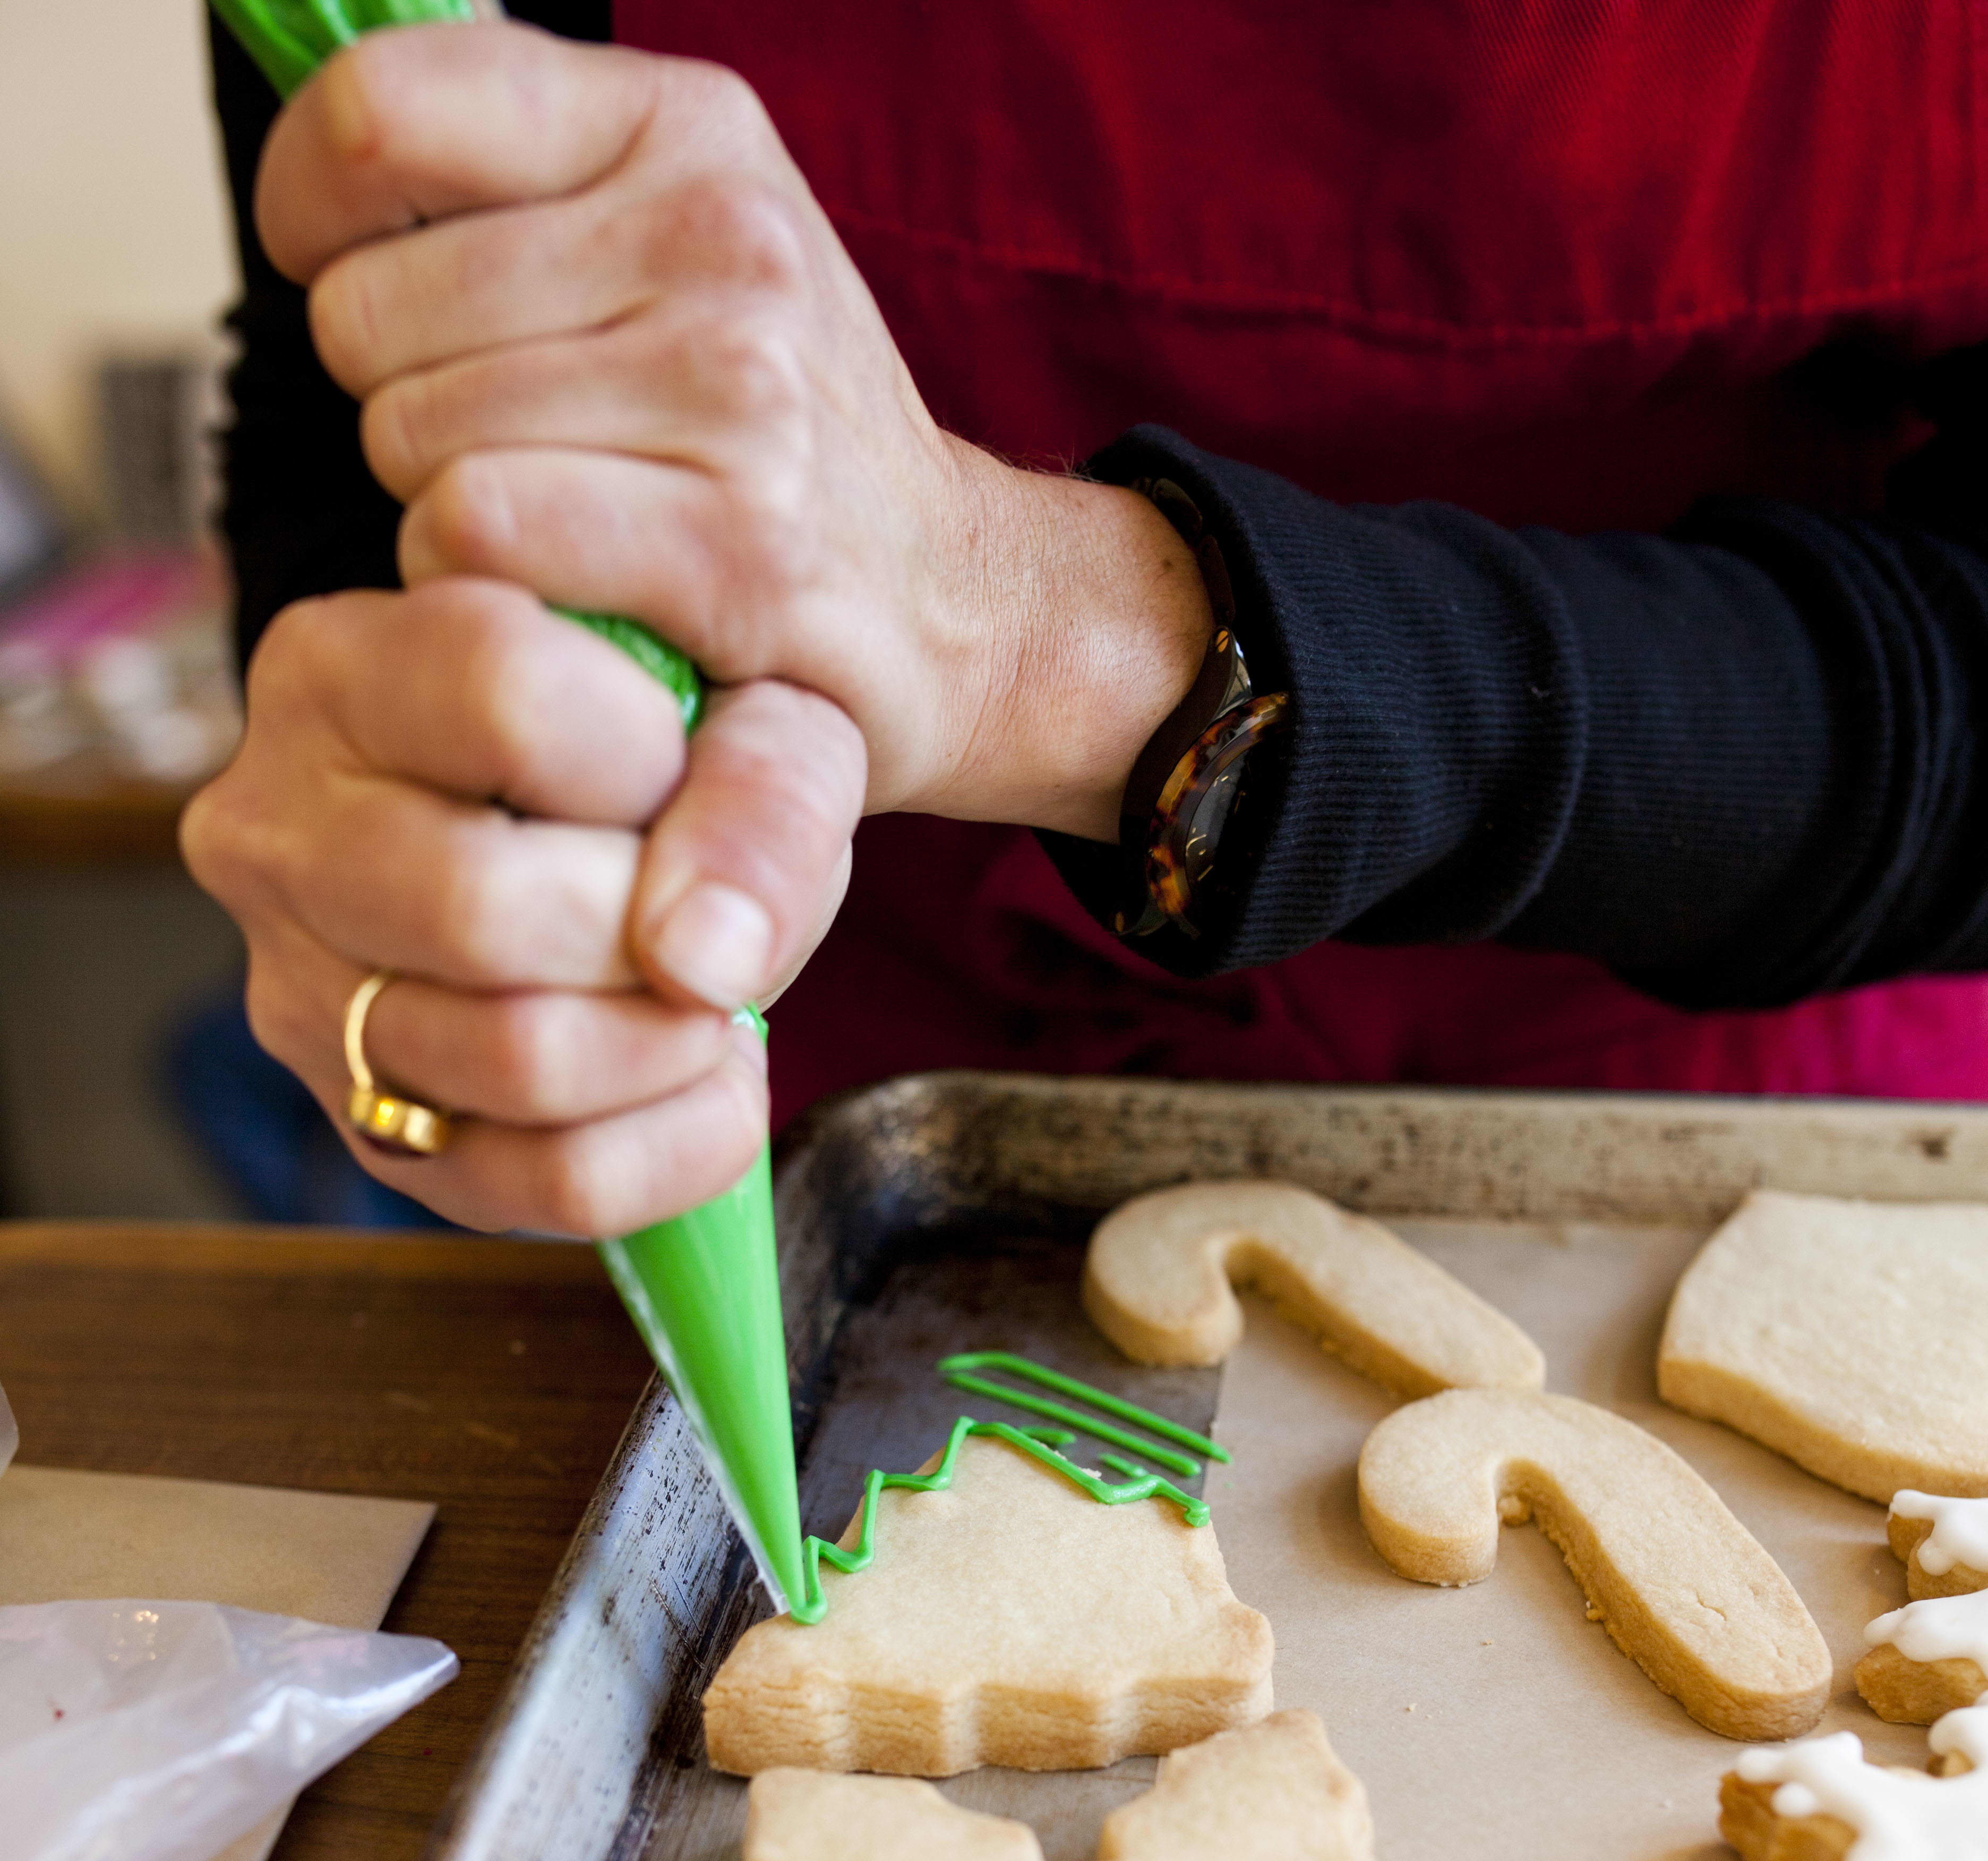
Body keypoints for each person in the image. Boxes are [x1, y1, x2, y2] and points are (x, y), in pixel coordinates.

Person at [184, 3, 1988, 1240]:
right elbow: (369, 363)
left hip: (1739, 1111)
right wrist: (443, 834)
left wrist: (1031, 634)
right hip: (787, 1110)